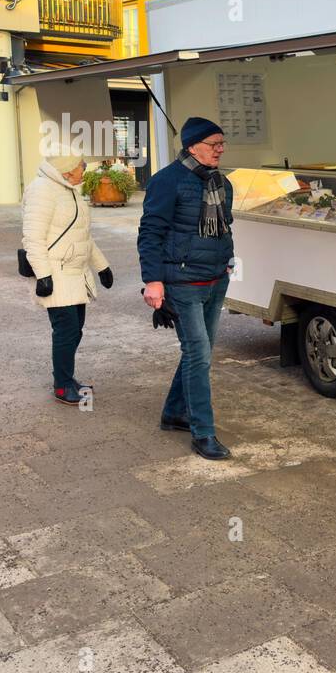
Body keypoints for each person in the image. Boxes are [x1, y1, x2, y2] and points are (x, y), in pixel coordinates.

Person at [138, 117, 236, 460]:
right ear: (192, 145)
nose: (220, 150)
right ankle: (203, 432)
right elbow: (150, 233)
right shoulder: (167, 181)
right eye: (213, 144)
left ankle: (173, 412)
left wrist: (227, 263)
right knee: (199, 354)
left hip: (215, 279)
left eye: (222, 144)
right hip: (182, 282)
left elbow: (225, 228)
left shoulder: (221, 183)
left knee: (200, 350)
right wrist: (153, 280)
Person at [21, 154, 113, 404]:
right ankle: (61, 385)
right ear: (67, 170)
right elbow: (33, 237)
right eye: (81, 165)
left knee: (76, 330)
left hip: (76, 272)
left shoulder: (71, 189)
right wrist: (43, 275)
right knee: (66, 330)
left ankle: (66, 376)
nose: (84, 168)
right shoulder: (42, 190)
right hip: (55, 272)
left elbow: (83, 235)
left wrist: (102, 265)